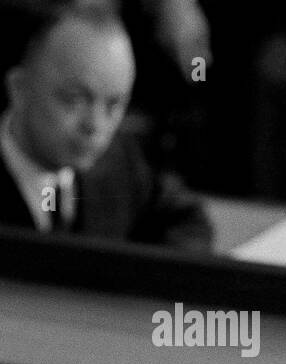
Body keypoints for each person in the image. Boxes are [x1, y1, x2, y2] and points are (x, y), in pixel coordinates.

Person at [0, 2, 211, 249]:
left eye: (114, 104)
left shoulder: (118, 162)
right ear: (19, 88)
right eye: (74, 99)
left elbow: (188, 220)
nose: (95, 125)